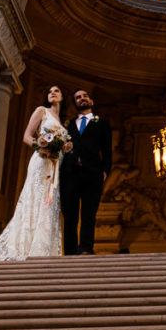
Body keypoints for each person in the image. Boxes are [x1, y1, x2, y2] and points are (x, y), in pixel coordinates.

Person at [0, 85, 70, 260]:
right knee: (35, 198)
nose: (52, 93)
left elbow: (61, 143)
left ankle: (44, 248)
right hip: (41, 161)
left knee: (49, 203)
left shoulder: (63, 121)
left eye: (57, 91)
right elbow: (27, 136)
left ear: (62, 97)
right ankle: (26, 247)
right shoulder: (41, 110)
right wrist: (40, 147)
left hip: (54, 166)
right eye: (50, 91)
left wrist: (65, 147)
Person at [59, 88, 111, 254]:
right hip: (70, 174)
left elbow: (107, 150)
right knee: (70, 215)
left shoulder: (101, 123)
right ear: (75, 103)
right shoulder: (68, 125)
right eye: (78, 97)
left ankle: (86, 249)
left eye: (85, 96)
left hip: (93, 173)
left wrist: (105, 171)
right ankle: (70, 251)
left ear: (91, 101)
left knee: (89, 213)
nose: (82, 99)